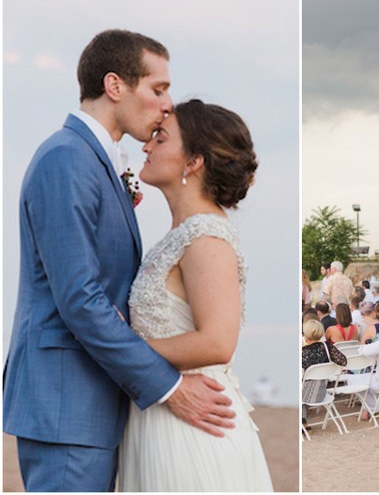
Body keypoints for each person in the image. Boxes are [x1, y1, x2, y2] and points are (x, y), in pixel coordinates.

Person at [2, 31, 241, 491]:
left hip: (91, 404)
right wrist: (169, 387)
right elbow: (80, 299)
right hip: (66, 405)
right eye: (158, 88)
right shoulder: (66, 159)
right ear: (115, 86)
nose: (167, 104)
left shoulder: (94, 161)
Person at [115, 98, 271, 488]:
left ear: (193, 161)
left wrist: (123, 345)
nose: (146, 147)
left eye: (160, 139)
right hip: (162, 415)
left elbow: (218, 342)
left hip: (194, 423)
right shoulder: (180, 235)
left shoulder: (206, 238)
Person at [301, 319, 346, 423]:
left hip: (305, 396)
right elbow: (343, 361)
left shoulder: (302, 353)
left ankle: (302, 422)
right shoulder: (327, 346)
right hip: (322, 392)